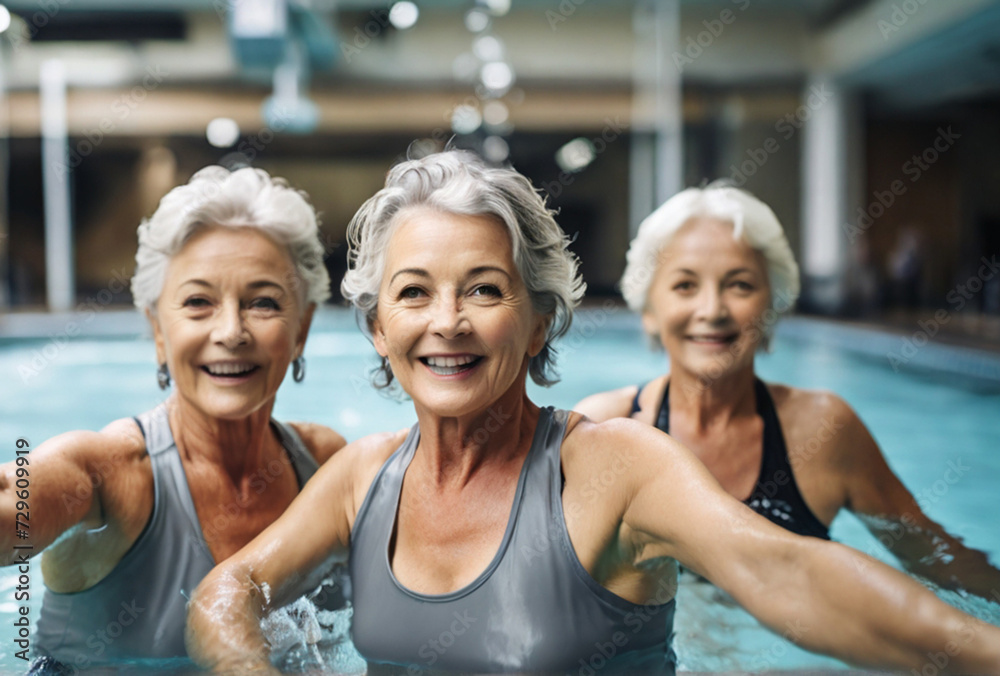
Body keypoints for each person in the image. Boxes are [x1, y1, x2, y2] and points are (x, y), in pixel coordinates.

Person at [186, 152, 1000, 675]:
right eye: (414, 293)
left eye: (484, 288)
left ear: (539, 319)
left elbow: (787, 570)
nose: (449, 321)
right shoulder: (362, 478)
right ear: (378, 327)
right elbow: (230, 590)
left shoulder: (616, 467)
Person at [575, 183, 1000, 599]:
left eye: (739, 285)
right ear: (649, 310)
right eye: (685, 286)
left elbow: (936, 558)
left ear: (774, 305)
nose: (712, 310)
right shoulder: (605, 427)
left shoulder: (822, 431)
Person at [0, 166, 347, 669]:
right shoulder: (111, 474)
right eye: (198, 302)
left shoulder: (324, 466)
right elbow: (18, 495)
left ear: (303, 328)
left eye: (263, 302)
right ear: (158, 329)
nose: (231, 331)